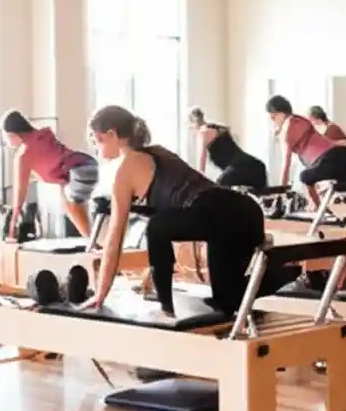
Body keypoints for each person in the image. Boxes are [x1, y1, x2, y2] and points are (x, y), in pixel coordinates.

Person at [83, 105, 266, 321]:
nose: (95, 146)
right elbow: (175, 198)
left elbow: (115, 239)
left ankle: (165, 309)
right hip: (244, 212)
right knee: (228, 302)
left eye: (97, 139)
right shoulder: (159, 151)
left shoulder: (124, 172)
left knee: (157, 228)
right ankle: (291, 273)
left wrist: (100, 295)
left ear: (112, 134)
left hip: (221, 214)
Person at [1, 110, 99, 239]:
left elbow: (20, 193)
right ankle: (93, 239)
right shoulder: (43, 135)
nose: (7, 143)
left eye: (6, 137)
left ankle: (92, 241)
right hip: (88, 163)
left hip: (78, 171)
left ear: (12, 134)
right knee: (69, 202)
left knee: (71, 205)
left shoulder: (24, 154)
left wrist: (13, 222)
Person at [267, 95, 346, 209]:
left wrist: (280, 193)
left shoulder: (286, 130)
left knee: (305, 177)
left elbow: (286, 164)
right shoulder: (302, 119)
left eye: (273, 115)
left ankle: (319, 210)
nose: (272, 119)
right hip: (345, 154)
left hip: (329, 159)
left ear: (280, 113)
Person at [186, 107, 267, 190]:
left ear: (192, 123)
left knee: (218, 190)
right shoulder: (217, 127)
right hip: (256, 166)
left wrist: (197, 183)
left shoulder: (203, 133)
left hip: (240, 166)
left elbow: (201, 163)